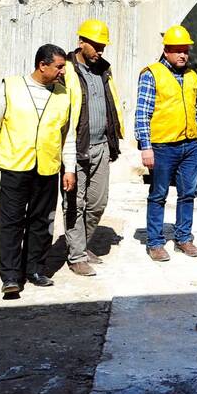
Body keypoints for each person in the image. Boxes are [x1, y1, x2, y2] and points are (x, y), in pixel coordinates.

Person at [0, 44, 76, 295]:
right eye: (58, 67)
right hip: (15, 165)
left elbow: (68, 135)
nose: (62, 72)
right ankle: (11, 276)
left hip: (47, 167)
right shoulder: (11, 87)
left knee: (41, 222)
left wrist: (70, 168)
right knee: (11, 222)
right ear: (42, 65)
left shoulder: (63, 95)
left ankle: (34, 268)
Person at [135, 24, 197, 261]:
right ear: (166, 50)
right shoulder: (152, 74)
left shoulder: (192, 76)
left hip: (189, 145)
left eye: (185, 50)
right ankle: (156, 242)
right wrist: (145, 147)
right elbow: (142, 113)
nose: (183, 55)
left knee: (188, 193)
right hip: (162, 146)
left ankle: (184, 238)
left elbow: (195, 111)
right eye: (177, 50)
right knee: (158, 194)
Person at [63, 18, 126, 277]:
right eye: (96, 46)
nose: (100, 51)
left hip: (101, 146)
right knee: (74, 204)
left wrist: (114, 140)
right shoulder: (66, 70)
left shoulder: (103, 70)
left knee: (98, 202)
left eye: (103, 46)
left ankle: (82, 244)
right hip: (76, 148)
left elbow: (112, 106)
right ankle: (76, 255)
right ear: (81, 42)